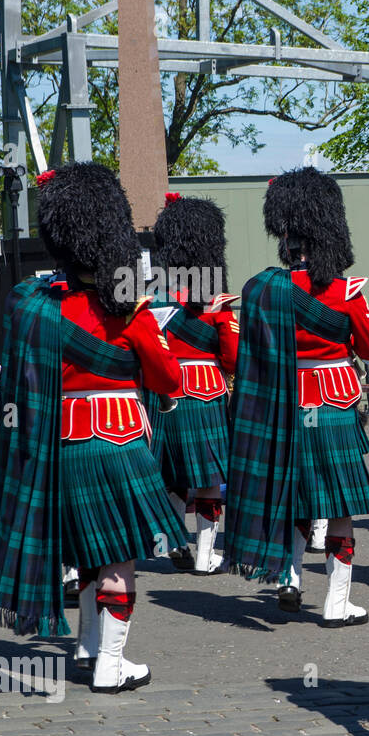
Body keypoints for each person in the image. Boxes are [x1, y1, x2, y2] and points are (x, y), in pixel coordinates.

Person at [0, 162, 184, 693]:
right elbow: (167, 379)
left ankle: (89, 647)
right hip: (118, 443)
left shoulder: (35, 306)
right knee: (117, 558)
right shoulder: (129, 310)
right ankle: (112, 663)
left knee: (85, 551)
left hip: (57, 447)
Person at [225, 167, 369, 628]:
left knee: (294, 497)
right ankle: (337, 603)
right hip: (333, 404)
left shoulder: (266, 289)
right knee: (337, 507)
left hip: (286, 402)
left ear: (287, 244)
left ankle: (290, 578)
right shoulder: (345, 291)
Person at [150, 194, 240, 575]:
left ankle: (171, 542)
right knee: (206, 478)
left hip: (167, 393)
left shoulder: (156, 297)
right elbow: (233, 356)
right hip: (204, 390)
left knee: (173, 474)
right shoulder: (216, 302)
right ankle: (204, 555)